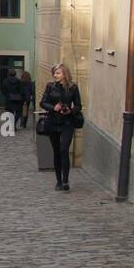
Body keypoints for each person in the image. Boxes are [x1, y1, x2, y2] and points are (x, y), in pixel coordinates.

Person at [40, 62, 81, 191]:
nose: (55, 75)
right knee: (57, 152)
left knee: (64, 150)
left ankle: (65, 180)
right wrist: (54, 107)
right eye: (54, 73)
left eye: (58, 73)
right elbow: (43, 102)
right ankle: (58, 180)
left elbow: (78, 105)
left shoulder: (73, 88)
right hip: (53, 122)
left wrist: (70, 110)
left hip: (67, 123)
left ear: (64, 74)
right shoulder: (50, 87)